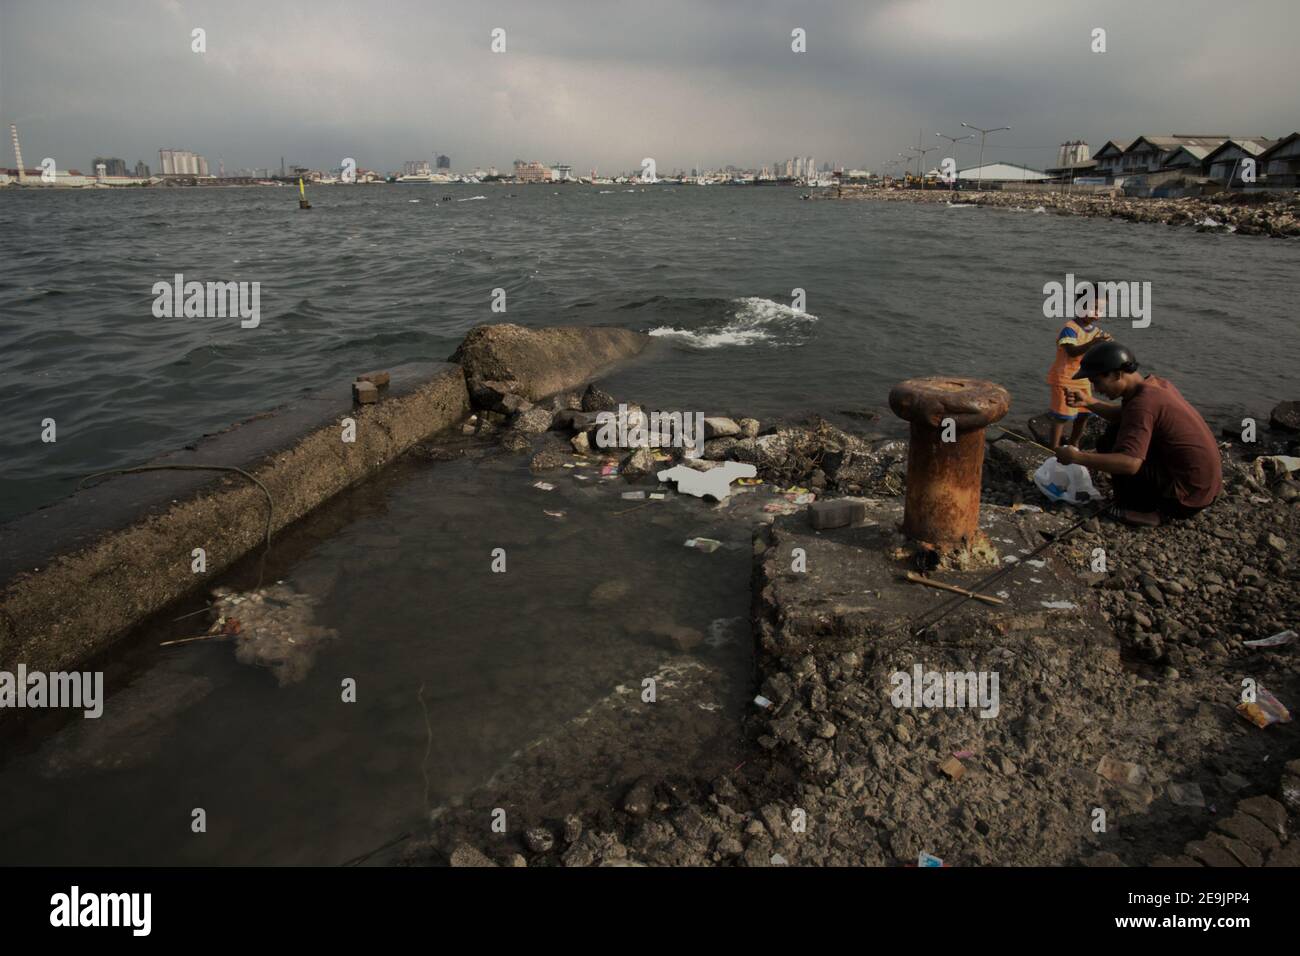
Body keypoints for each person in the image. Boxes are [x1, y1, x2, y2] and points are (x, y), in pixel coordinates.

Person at [1057, 341, 1222, 527]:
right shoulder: (1153, 386)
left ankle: (1148, 511)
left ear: (1118, 374)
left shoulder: (1143, 404)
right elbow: (1124, 415)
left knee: (1112, 443)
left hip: (1183, 500)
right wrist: (1088, 402)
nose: (1097, 389)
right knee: (1116, 430)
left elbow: (1130, 464)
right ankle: (1141, 501)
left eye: (1097, 382)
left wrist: (1076, 457)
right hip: (1205, 490)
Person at [1046, 282, 1111, 449]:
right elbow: (1072, 352)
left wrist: (1106, 346)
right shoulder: (1070, 329)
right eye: (1094, 308)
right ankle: (1053, 449)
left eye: (1101, 309)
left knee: (1084, 414)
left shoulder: (1096, 332)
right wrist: (1093, 343)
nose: (1098, 313)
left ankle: (1074, 445)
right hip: (1065, 379)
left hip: (1083, 380)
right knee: (1062, 416)